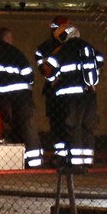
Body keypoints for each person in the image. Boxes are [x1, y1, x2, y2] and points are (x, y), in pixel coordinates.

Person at [42, 23, 104, 172]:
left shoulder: (62, 50)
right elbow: (100, 61)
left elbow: (50, 71)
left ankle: (76, 163)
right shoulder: (89, 47)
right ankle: (88, 160)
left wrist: (55, 81)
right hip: (89, 93)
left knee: (73, 127)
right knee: (87, 127)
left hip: (70, 96)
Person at [0, 27, 43, 167]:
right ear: (6, 38)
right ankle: (34, 162)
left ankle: (11, 160)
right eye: (11, 37)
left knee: (4, 126)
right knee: (26, 126)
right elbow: (29, 75)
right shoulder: (15, 53)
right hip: (20, 96)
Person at [35, 15, 69, 165]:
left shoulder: (44, 48)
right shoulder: (75, 46)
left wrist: (53, 80)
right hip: (67, 92)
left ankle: (61, 155)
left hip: (55, 92)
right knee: (66, 124)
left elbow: (44, 71)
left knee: (57, 124)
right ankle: (65, 155)